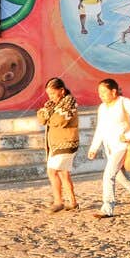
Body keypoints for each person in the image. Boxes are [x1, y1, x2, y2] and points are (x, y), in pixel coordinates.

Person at [87, 77, 130, 217]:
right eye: (99, 92)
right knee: (121, 176)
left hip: (122, 145)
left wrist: (128, 135)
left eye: (103, 92)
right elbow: (100, 128)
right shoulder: (102, 108)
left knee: (108, 175)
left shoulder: (124, 102)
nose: (101, 95)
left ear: (113, 91)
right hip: (108, 146)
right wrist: (94, 147)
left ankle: (107, 208)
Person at [36, 77, 82, 212]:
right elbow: (41, 118)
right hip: (56, 144)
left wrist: (48, 116)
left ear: (61, 91)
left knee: (52, 171)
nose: (50, 97)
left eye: (52, 93)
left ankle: (58, 201)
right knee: (63, 173)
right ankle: (72, 202)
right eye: (48, 94)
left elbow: (59, 121)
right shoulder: (52, 105)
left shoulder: (69, 103)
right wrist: (48, 116)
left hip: (66, 143)